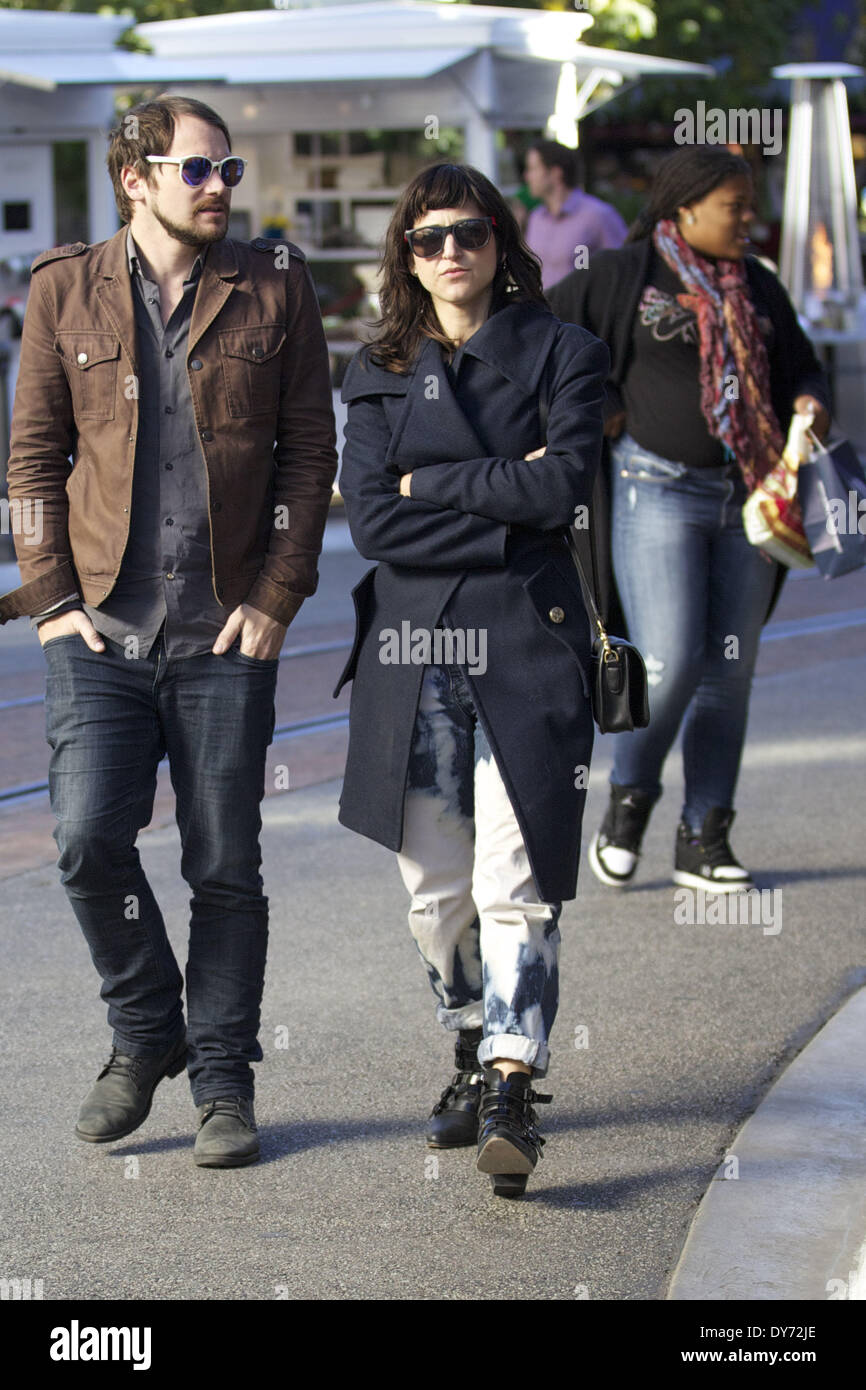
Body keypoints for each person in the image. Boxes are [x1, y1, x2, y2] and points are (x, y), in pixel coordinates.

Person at [0, 96, 337, 1166]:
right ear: (135, 178)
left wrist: (277, 597)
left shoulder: (275, 285)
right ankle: (147, 1031)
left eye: (227, 170)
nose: (219, 188)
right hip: (99, 627)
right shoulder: (64, 288)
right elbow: (31, 462)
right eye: (197, 170)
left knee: (224, 863)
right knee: (89, 840)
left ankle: (224, 1078)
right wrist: (49, 600)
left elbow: (307, 458)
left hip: (222, 630)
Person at [335, 163, 609, 1197]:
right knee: (432, 895)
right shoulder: (379, 367)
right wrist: (489, 492)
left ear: (501, 241)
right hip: (408, 655)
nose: (449, 252)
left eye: (468, 232)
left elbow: (557, 487)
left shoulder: (563, 351)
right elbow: (371, 519)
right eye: (426, 237)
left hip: (527, 645)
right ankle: (465, 1040)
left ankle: (509, 1084)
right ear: (405, 255)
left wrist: (431, 483)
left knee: (516, 881)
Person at [546, 146, 830, 892]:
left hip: (749, 500)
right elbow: (545, 337)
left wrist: (808, 399)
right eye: (735, 207)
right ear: (685, 209)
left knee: (729, 671)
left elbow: (802, 363)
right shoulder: (620, 274)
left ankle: (706, 834)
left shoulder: (758, 286)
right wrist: (597, 407)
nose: (749, 219)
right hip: (655, 490)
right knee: (670, 662)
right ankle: (631, 796)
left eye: (749, 205)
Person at [524, 139, 627, 289]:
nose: (527, 176)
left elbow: (623, 268)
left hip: (582, 310)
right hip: (540, 310)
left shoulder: (598, 215)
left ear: (555, 173)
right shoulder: (536, 218)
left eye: (533, 169)